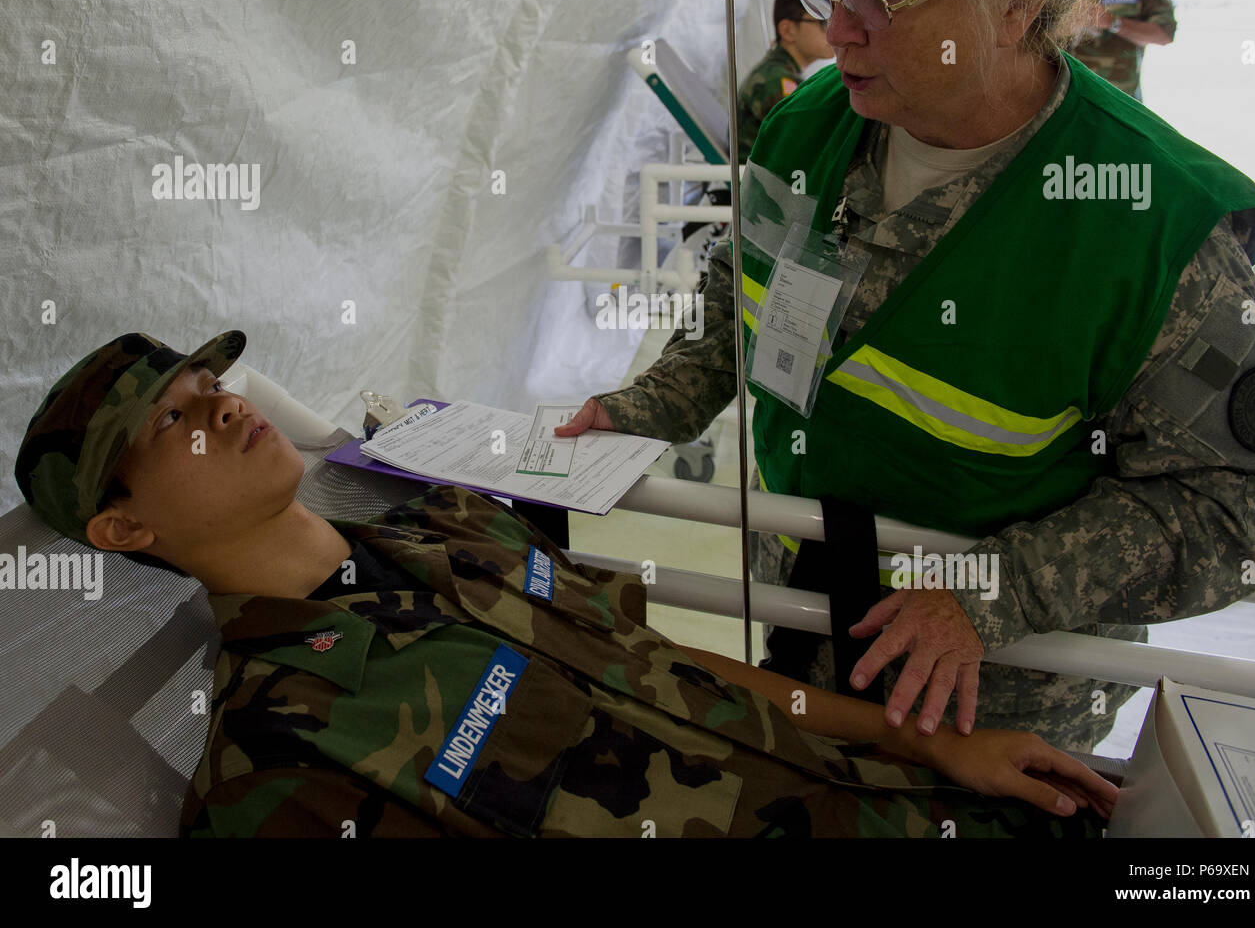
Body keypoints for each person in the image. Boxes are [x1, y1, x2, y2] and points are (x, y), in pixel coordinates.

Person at [558, 0, 1255, 753]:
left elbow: (1237, 501)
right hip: (799, 620)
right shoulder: (807, 128)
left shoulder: (1144, 221)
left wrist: (992, 592)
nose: (841, 26)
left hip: (988, 707)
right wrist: (642, 408)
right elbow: (735, 299)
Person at [13, 330, 1118, 838]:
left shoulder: (451, 522)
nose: (220, 406)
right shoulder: (279, 754)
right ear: (124, 524)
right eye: (172, 420)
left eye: (208, 382)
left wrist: (917, 739)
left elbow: (670, 666)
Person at [735, 0, 835, 164]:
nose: (833, 31)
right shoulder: (776, 82)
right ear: (788, 31)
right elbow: (808, 150)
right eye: (823, 22)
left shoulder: (779, 74)